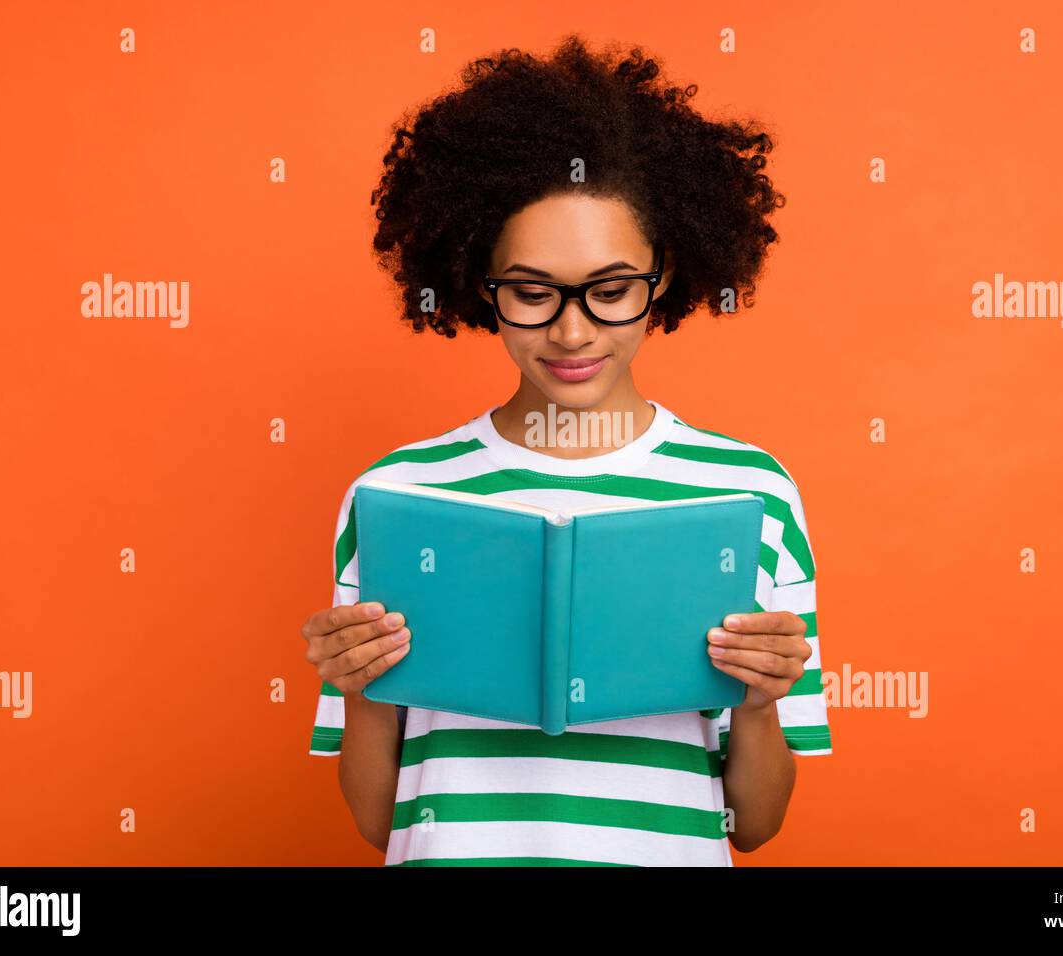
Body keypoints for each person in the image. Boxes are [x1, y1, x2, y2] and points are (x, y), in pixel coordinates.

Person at [302, 34, 831, 866]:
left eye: (611, 290)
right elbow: (379, 824)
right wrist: (361, 688)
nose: (572, 330)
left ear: (667, 278)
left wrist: (761, 705)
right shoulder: (396, 495)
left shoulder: (750, 492)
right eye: (532, 291)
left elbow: (756, 825)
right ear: (483, 284)